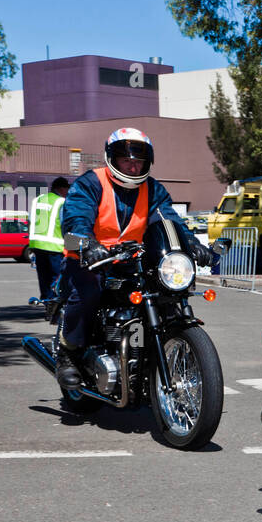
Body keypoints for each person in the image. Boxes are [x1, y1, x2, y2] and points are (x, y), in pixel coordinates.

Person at [55, 127, 212, 389]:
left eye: (138, 161)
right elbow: (74, 220)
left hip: (132, 259)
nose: (132, 166)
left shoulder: (153, 189)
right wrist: (88, 243)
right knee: (88, 293)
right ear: (112, 159)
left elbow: (169, 220)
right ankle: (67, 353)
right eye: (126, 160)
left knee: (167, 291)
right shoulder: (91, 183)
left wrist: (193, 244)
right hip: (89, 258)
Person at [28, 177, 68, 300]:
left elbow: (31, 220)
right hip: (55, 246)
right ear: (61, 189)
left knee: (43, 276)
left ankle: (46, 301)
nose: (68, 192)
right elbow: (65, 224)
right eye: (67, 189)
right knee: (56, 277)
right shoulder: (61, 202)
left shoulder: (38, 200)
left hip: (37, 245)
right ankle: (54, 302)